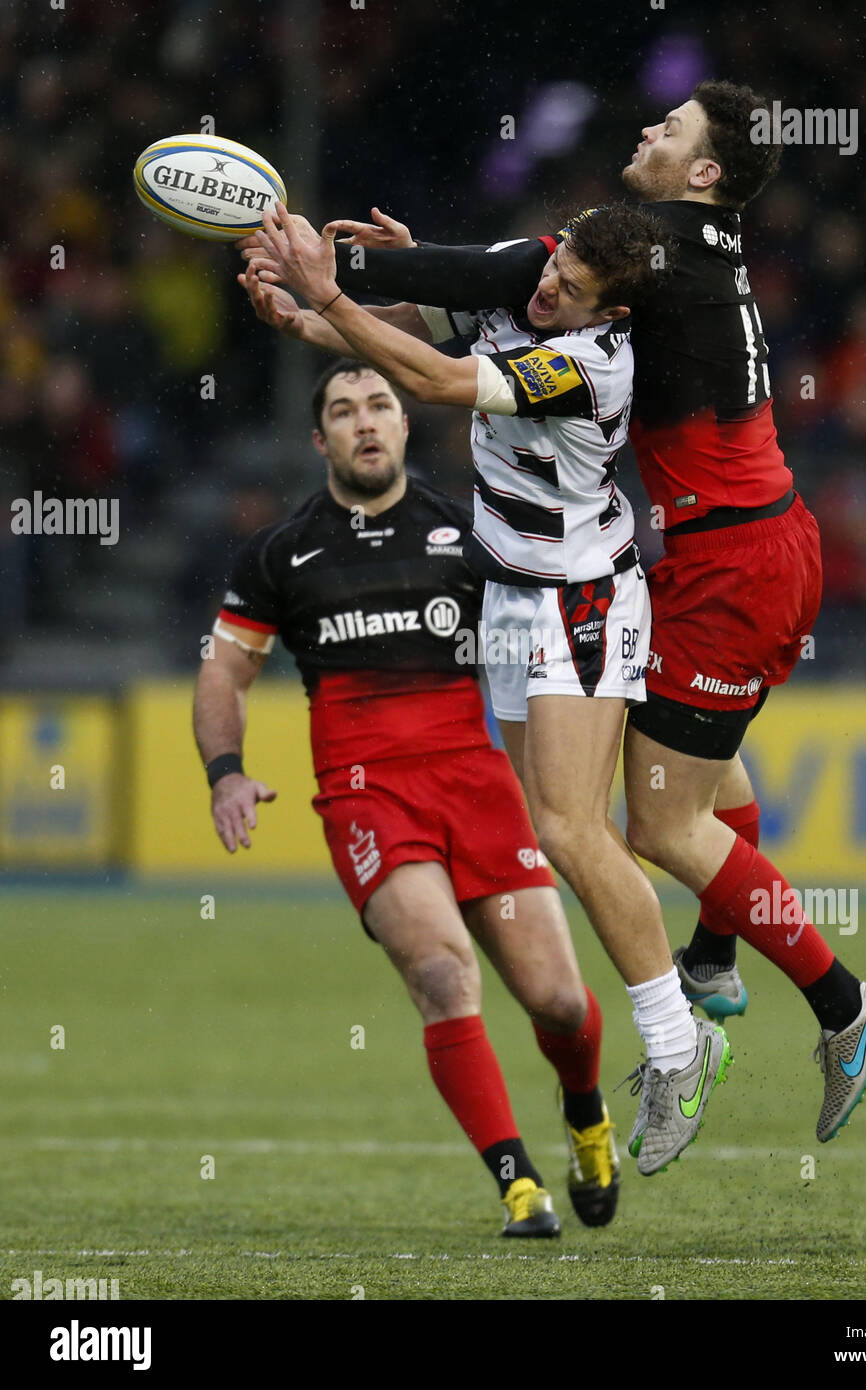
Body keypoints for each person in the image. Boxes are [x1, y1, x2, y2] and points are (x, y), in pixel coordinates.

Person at [244, 79, 866, 1146]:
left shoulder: (622, 304)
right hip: (694, 556)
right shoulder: (640, 261)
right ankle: (713, 964)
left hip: (694, 570)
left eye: (670, 127)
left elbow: (460, 339)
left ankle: (811, 1010)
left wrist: (331, 277)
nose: (646, 127)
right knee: (677, 784)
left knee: (626, 821)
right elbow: (473, 304)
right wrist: (322, 315)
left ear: (699, 176)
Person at [243, 201, 733, 1177]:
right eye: (553, 272)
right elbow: (428, 324)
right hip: (510, 595)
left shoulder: (585, 365)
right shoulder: (536, 276)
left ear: (613, 314)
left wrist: (329, 287)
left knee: (567, 828)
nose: (547, 292)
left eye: (571, 294)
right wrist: (309, 319)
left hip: (580, 598)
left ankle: (678, 1042)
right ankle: (647, 1019)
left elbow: (428, 379)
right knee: (543, 823)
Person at [193, 357, 622, 1236]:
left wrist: (569, 780)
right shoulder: (281, 553)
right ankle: (517, 1185)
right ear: (321, 439)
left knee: (561, 1004)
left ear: (401, 423)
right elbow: (224, 674)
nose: (365, 421)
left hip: (476, 782)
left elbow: (538, 659)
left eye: (379, 404)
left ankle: (585, 1113)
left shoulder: (468, 535)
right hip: (366, 795)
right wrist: (225, 771)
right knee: (438, 971)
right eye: (344, 411)